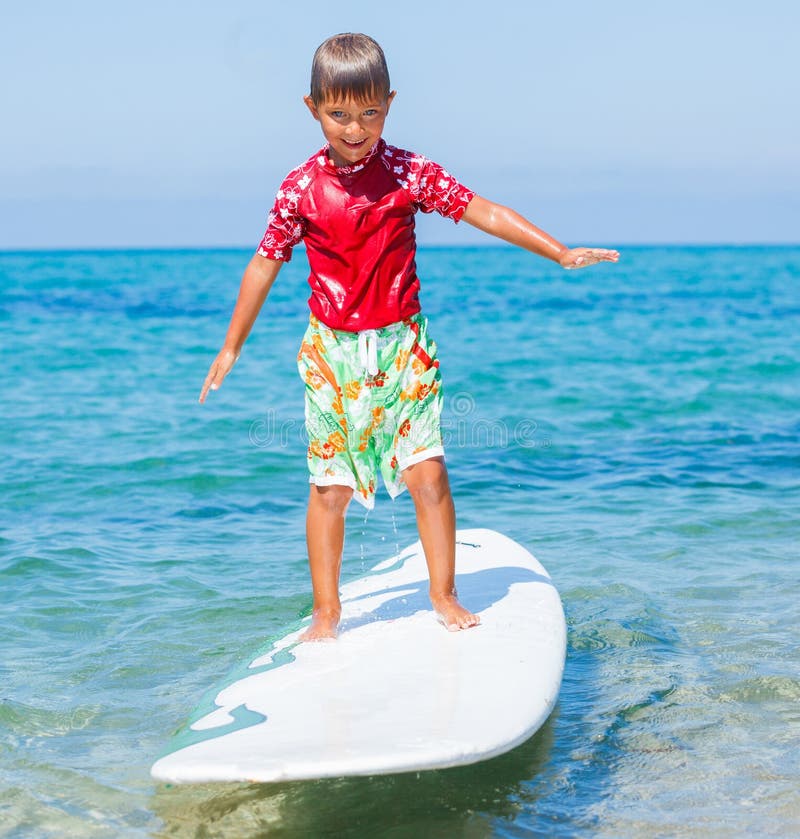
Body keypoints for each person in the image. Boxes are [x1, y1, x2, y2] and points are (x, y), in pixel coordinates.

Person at [199, 33, 618, 641]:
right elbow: (265, 263)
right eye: (339, 114)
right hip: (333, 355)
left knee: (428, 473)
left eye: (370, 112)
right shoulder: (299, 188)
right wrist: (232, 344)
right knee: (330, 488)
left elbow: (482, 210)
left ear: (390, 104)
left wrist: (558, 252)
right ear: (312, 108)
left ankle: (443, 594)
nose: (355, 128)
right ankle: (326, 612)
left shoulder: (406, 172)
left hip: (404, 348)